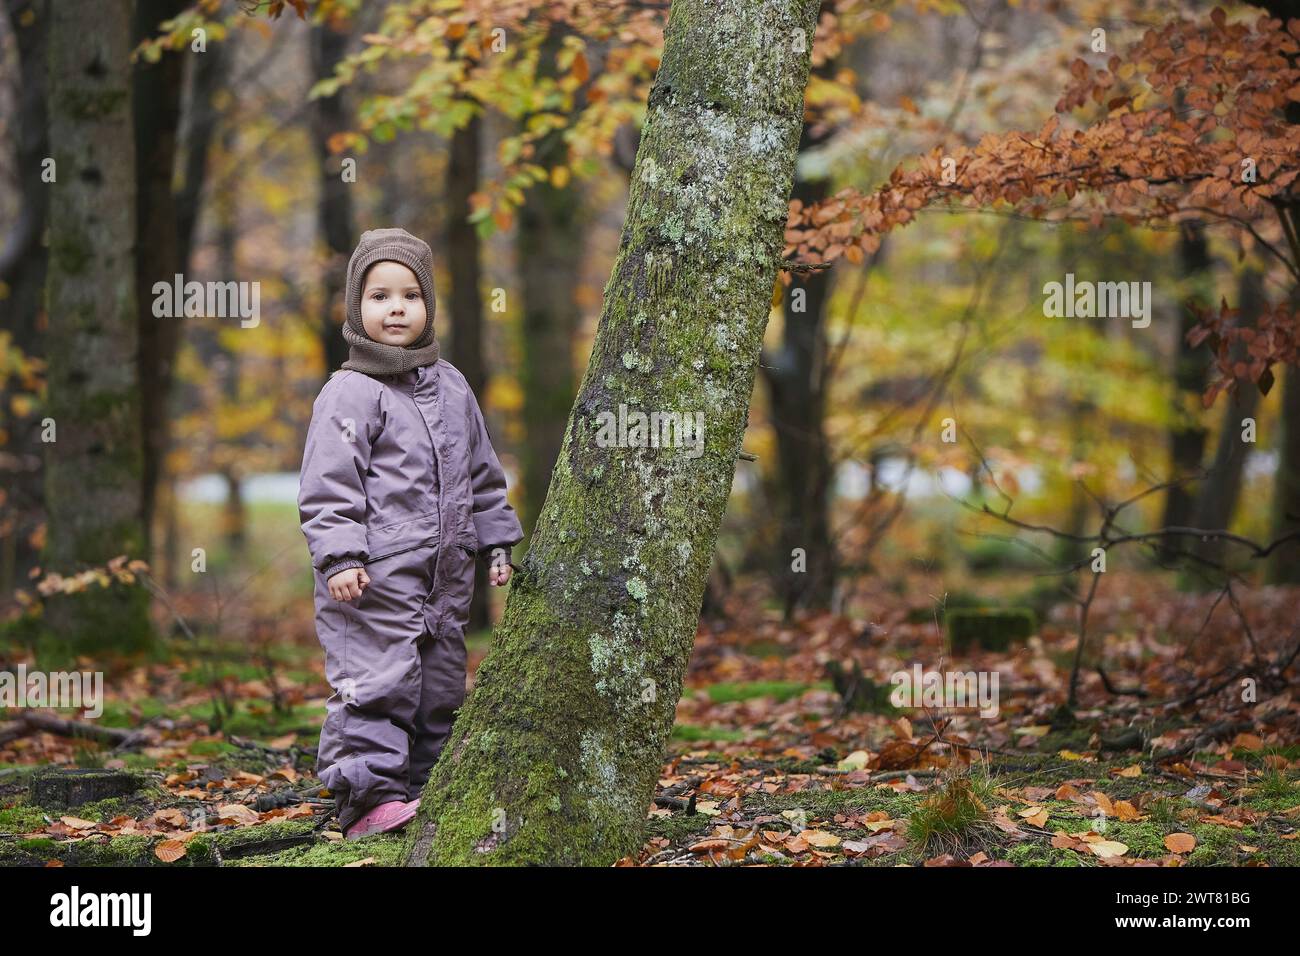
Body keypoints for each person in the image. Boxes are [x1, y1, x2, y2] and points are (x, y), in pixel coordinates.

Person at [297, 227, 522, 840]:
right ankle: (366, 799)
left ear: (428, 307)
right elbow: (328, 485)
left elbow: (482, 472)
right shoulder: (351, 392)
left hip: (446, 583)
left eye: (409, 296)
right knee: (376, 685)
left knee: (440, 687)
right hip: (371, 583)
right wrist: (340, 554)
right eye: (378, 296)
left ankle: (423, 791)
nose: (395, 308)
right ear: (355, 307)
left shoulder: (452, 386)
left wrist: (497, 541)